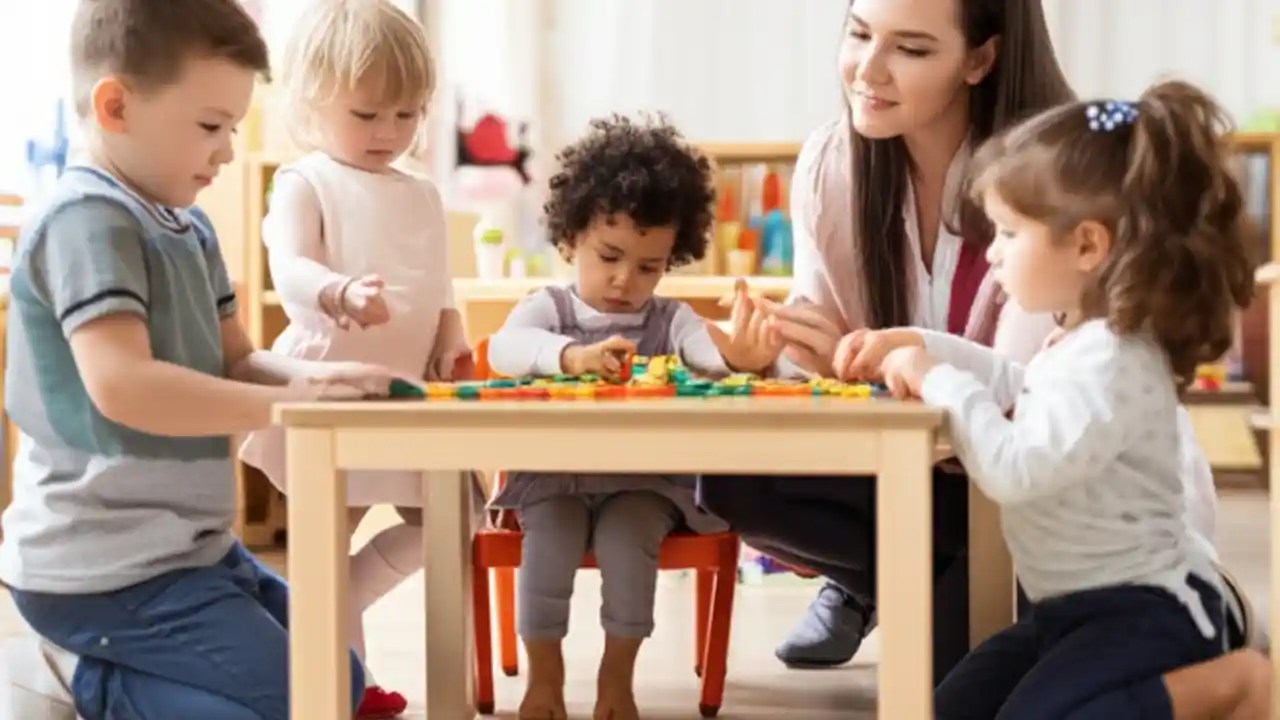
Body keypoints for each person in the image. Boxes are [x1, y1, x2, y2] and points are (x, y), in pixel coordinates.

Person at [0, 1, 404, 718]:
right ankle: (78, 676)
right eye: (210, 126)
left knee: (336, 680)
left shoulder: (187, 226)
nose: (225, 151)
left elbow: (239, 361)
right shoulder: (84, 217)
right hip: (100, 569)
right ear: (116, 105)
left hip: (188, 551)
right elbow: (123, 386)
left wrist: (326, 378)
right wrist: (289, 406)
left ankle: (115, 670)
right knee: (302, 695)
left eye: (234, 129)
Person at [862, 79, 1270, 720]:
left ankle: (1237, 683)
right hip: (1070, 609)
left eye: (1006, 233)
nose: (992, 253)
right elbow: (1014, 383)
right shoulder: (1080, 340)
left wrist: (939, 379)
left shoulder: (1114, 358)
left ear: (1087, 246)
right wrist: (924, 351)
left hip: (1149, 611)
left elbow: (1016, 469)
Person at [697, 0, 1072, 678]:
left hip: (1021, 492)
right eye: (859, 34)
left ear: (981, 59)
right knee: (726, 473)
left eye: (913, 49)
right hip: (911, 471)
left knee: (945, 686)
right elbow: (818, 355)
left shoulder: (1053, 181)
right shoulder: (831, 164)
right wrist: (788, 355)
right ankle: (885, 585)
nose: (867, 70)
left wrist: (892, 353)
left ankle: (891, 587)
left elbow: (1028, 399)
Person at [486, 115, 782, 720]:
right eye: (610, 256)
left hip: (644, 484)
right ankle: (544, 677)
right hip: (555, 479)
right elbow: (502, 351)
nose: (625, 280)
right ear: (571, 239)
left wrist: (738, 356)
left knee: (628, 545)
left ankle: (615, 679)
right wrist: (570, 356)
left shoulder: (668, 320)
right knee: (548, 545)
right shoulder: (547, 307)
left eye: (649, 266)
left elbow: (707, 350)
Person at [237, 1, 477, 717]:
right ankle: (350, 686)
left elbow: (439, 281)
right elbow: (291, 270)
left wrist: (453, 331)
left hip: (405, 389)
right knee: (324, 542)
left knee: (453, 524)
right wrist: (338, 290)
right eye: (368, 114)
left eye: (407, 115)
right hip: (329, 386)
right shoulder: (304, 182)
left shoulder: (422, 193)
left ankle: (328, 607)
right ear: (313, 100)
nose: (390, 133)